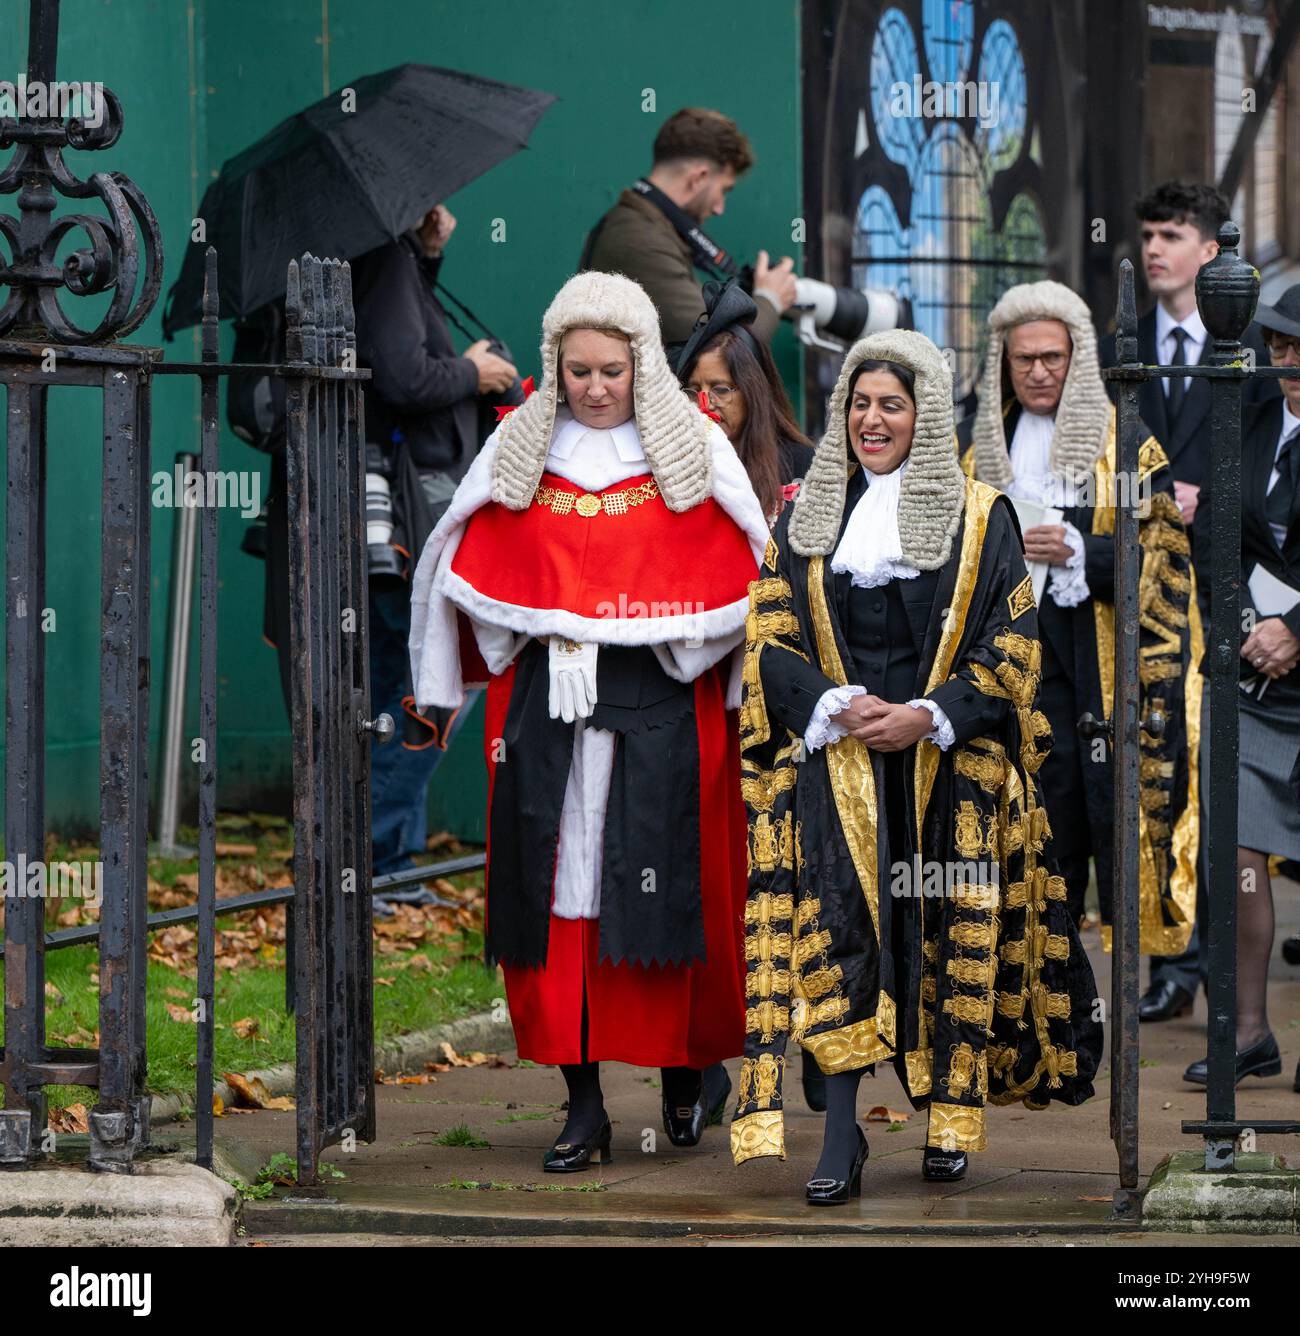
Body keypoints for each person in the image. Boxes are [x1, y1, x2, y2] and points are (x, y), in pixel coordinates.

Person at [408, 271, 770, 1168]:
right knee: (556, 902)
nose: (596, 388)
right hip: (547, 717)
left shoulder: (693, 449)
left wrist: (651, 639)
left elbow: (751, 578)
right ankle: (583, 1104)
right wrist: (543, 630)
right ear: (554, 368)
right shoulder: (517, 450)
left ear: (642, 365)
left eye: (612, 370)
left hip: (665, 712)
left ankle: (687, 1070)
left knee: (664, 887)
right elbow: (459, 565)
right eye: (578, 371)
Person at [729, 329, 1101, 1203]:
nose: (870, 419)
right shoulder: (807, 513)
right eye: (858, 403)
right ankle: (841, 1136)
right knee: (843, 939)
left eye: (890, 404)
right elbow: (768, 637)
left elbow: (1014, 644)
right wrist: (834, 705)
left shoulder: (982, 516)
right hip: (839, 765)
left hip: (946, 771)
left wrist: (930, 714)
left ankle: (948, 1123)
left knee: (943, 944)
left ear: (924, 414)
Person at [958, 280, 1199, 951]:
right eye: (1023, 359)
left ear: (1076, 359)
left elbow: (1166, 548)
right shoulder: (980, 447)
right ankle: (1053, 990)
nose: (1038, 372)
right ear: (1005, 364)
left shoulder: (1124, 440)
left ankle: (1162, 970)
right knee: (1044, 828)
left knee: (1120, 819)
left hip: (1100, 656)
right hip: (1021, 663)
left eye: (1053, 358)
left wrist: (1080, 550)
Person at [1099, 181, 1278, 1022]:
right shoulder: (1122, 345)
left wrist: (1221, 497)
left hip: (1237, 599)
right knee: (1161, 771)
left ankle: (1225, 979)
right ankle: (1170, 960)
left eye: (1171, 234)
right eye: (1147, 233)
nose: (1153, 248)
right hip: (1151, 598)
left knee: (1227, 792)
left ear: (1213, 253)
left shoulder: (1254, 355)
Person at [350, 204, 520, 892]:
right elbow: (400, 378)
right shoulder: (382, 258)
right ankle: (377, 861)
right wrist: (472, 373)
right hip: (412, 512)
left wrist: (426, 257)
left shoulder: (392, 257)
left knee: (406, 681)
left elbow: (395, 350)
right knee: (443, 682)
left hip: (406, 512)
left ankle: (385, 860)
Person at [1188, 283, 1300, 1094]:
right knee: (1240, 857)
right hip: (1254, 679)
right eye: (1280, 346)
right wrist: (1240, 630)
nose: (1289, 364)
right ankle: (1250, 1034)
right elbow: (1212, 536)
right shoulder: (1251, 414)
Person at [578, 107, 797, 347]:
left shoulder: (640, 225)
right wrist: (770, 301)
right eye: (723, 190)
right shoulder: (639, 239)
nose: (719, 209)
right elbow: (718, 350)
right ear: (699, 178)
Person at [675, 279, 814, 523]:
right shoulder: (673, 466)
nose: (705, 403)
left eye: (720, 389)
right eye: (694, 390)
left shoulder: (803, 464)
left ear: (753, 392)